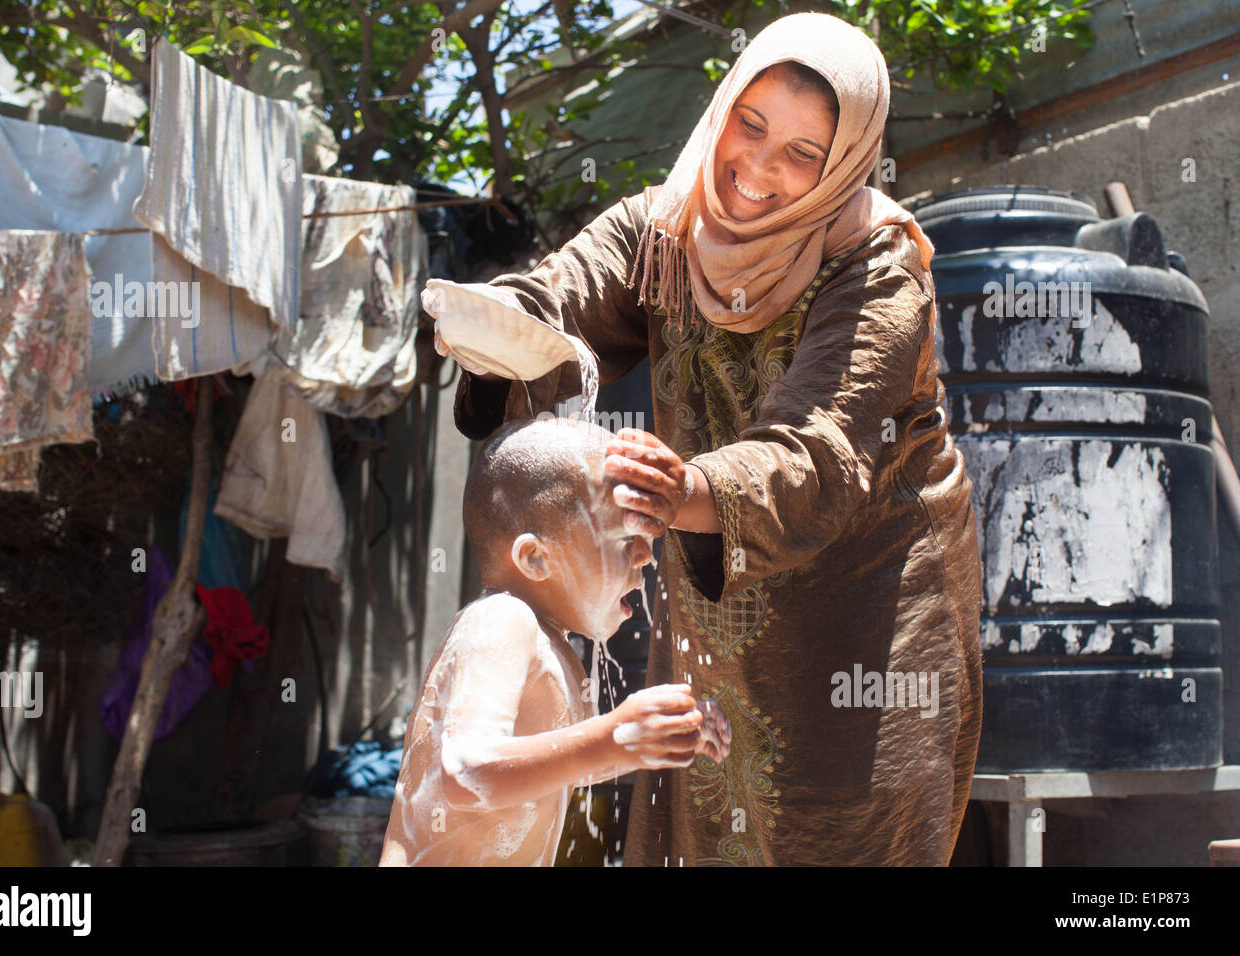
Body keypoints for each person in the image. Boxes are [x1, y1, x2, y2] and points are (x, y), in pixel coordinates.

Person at [431, 11, 983, 866]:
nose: (758, 168)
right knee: (714, 821)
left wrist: (685, 491)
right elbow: (561, 299)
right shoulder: (664, 231)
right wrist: (500, 326)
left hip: (870, 614)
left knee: (843, 832)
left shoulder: (877, 266)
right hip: (724, 597)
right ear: (721, 109)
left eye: (804, 152)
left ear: (845, 161)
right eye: (750, 125)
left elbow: (818, 452)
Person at [379, 416, 731, 866]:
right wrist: (615, 737)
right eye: (624, 539)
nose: (646, 555)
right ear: (535, 558)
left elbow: (564, 765)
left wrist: (651, 742)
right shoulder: (501, 621)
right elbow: (464, 773)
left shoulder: (556, 648)